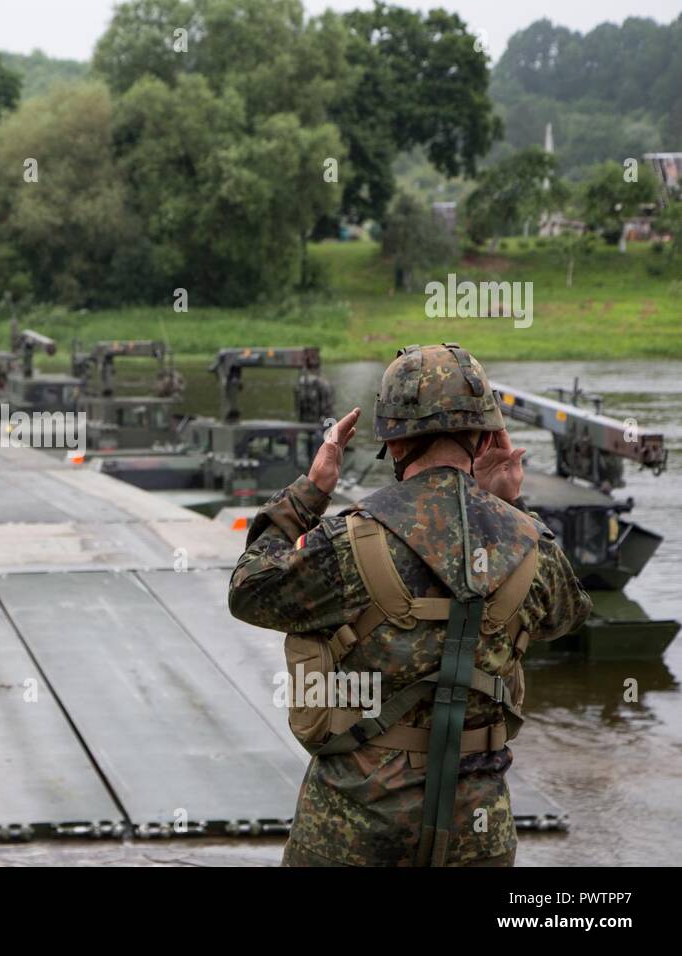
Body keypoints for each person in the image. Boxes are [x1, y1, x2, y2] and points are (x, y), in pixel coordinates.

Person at [228, 343, 592, 867]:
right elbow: (568, 614)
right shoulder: (530, 544)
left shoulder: (346, 541)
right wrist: (508, 506)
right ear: (488, 437)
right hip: (478, 836)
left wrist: (310, 492)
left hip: (354, 830)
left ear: (393, 442)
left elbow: (248, 590)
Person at [295, 352, 335, 424]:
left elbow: (297, 408)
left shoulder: (300, 382)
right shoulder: (324, 384)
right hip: (318, 426)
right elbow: (328, 410)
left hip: (303, 424)